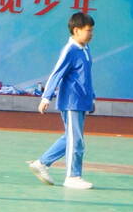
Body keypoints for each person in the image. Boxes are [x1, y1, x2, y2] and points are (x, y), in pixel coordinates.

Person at [28, 12, 96, 190]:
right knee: (77, 141)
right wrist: (46, 97)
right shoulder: (70, 50)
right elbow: (56, 73)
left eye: (92, 30)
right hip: (71, 101)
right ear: (76, 30)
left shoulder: (85, 49)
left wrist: (91, 98)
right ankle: (73, 176)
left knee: (71, 137)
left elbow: (86, 77)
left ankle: (41, 163)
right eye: (88, 30)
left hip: (82, 101)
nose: (91, 34)